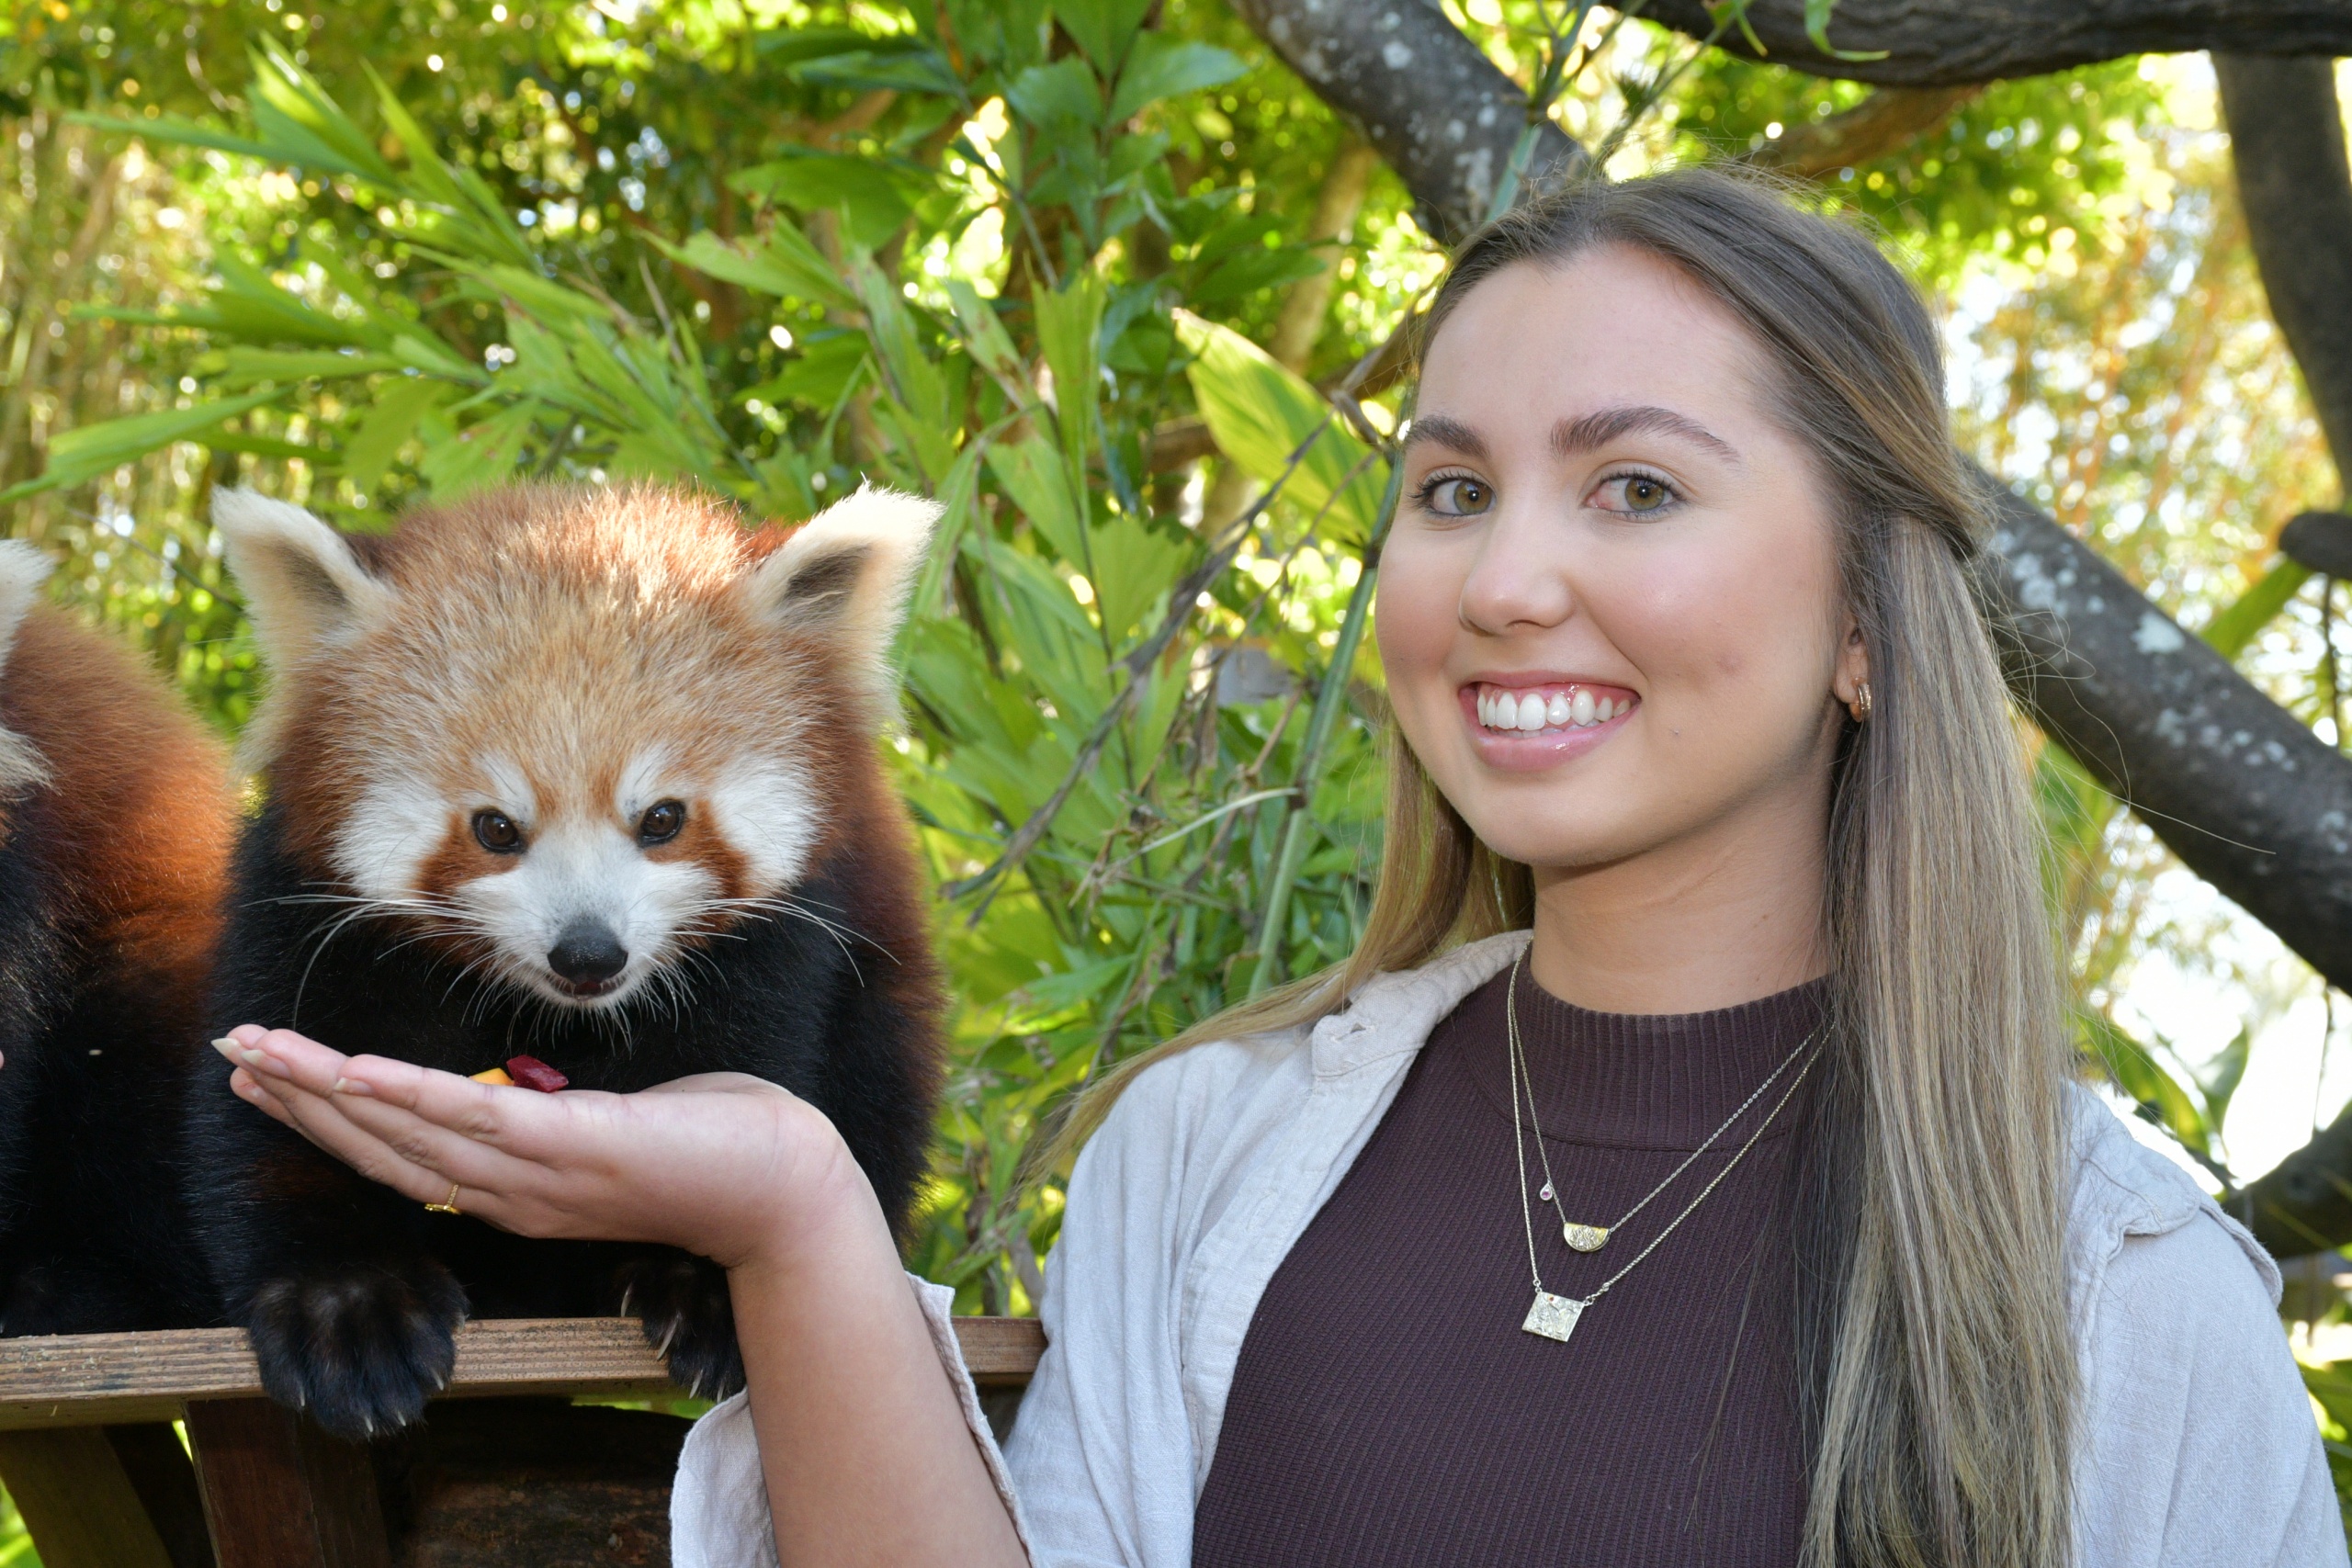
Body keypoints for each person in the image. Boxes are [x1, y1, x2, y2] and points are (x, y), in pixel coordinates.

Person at [214, 168, 2343, 1568]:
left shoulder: (2122, 1288)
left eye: (1630, 486)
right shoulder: (1209, 1159)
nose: (1504, 579)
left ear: (1866, 619)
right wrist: (785, 1202)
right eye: (1448, 487)